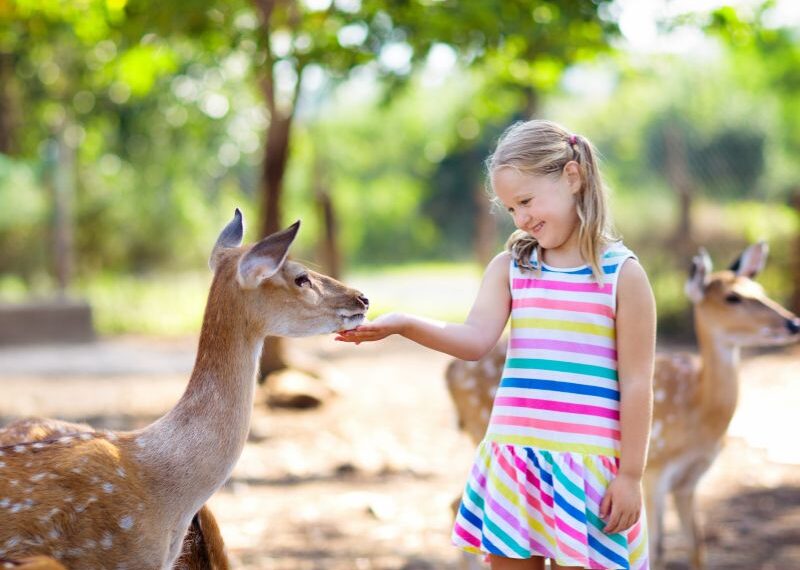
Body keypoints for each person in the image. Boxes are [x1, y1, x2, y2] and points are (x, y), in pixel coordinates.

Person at [336, 119, 655, 570]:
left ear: (572, 176)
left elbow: (639, 383)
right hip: (516, 466)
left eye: (526, 201)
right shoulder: (512, 267)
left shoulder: (624, 276)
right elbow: (473, 340)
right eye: (510, 209)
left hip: (588, 475)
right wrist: (404, 324)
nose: (521, 218)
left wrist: (631, 475)